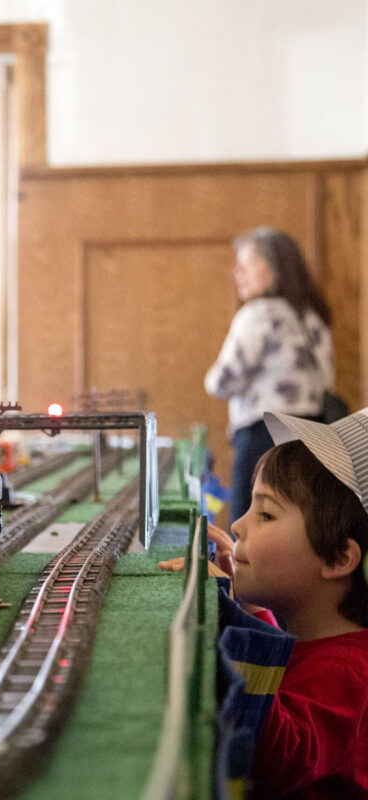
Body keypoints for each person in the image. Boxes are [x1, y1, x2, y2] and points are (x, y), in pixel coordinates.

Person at [162, 408, 368, 797]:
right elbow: (285, 689)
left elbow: (272, 761)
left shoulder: (350, 672)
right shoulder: (326, 642)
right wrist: (251, 613)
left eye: (266, 513)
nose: (238, 525)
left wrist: (228, 617)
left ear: (338, 559)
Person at [204, 226, 334, 528]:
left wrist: (209, 379)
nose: (237, 271)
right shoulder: (312, 315)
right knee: (300, 528)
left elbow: (222, 382)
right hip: (313, 436)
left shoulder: (258, 314)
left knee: (248, 529)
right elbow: (327, 379)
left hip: (263, 438)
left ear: (274, 267)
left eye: (246, 262)